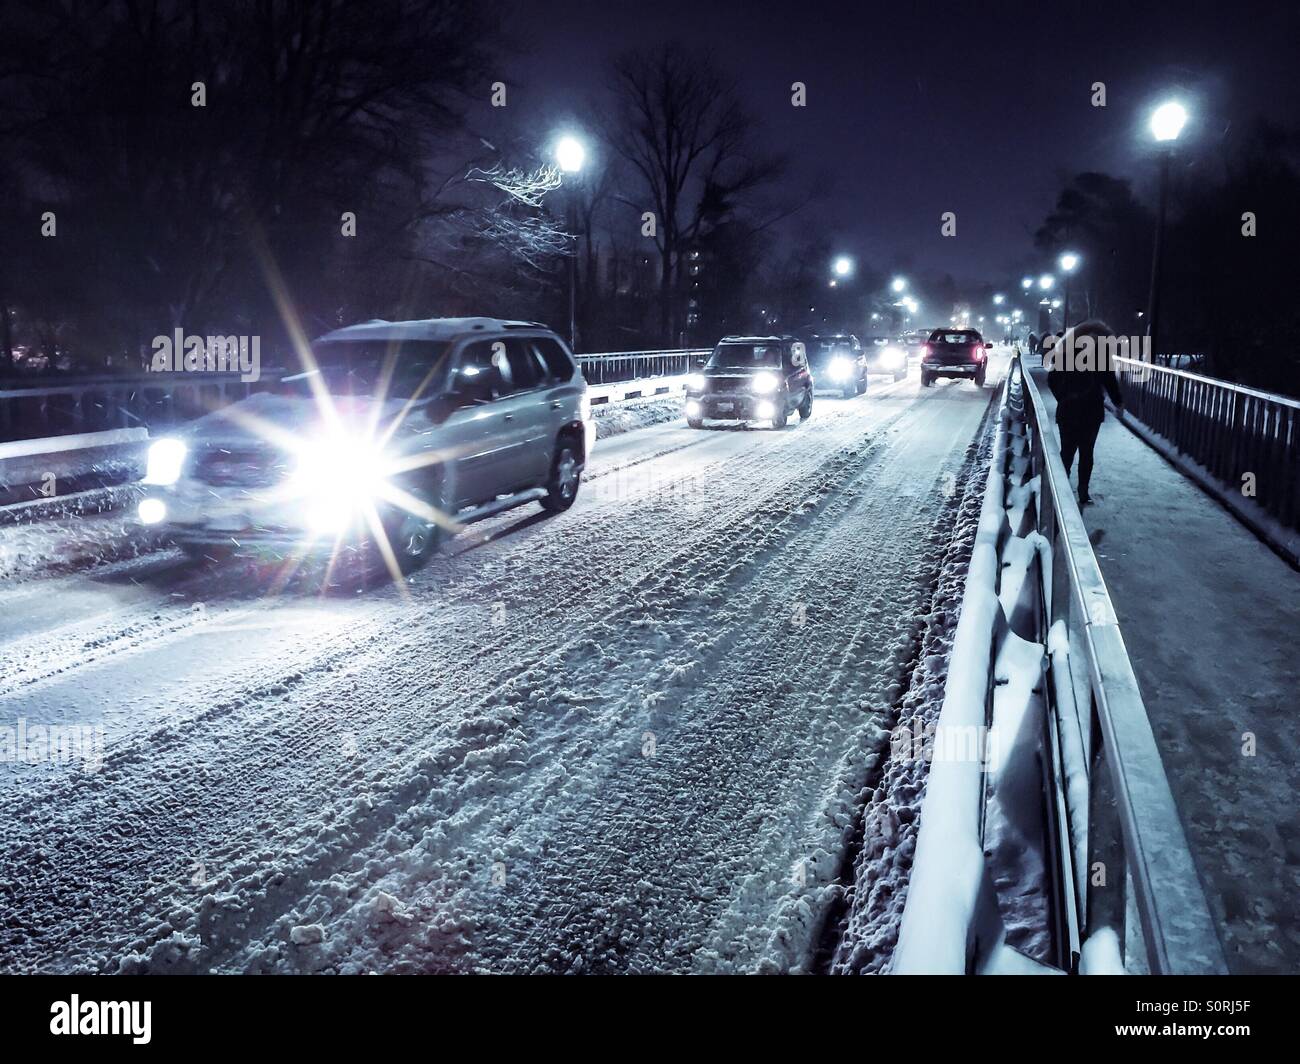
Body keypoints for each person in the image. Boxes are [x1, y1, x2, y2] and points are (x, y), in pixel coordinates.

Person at [1047, 320, 1123, 506]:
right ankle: (1082, 491)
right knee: (1086, 453)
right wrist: (1118, 403)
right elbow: (1110, 381)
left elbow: (1052, 379)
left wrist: (1063, 397)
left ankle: (1062, 490)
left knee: (1067, 452)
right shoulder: (1102, 357)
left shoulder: (1065, 353)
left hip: (1070, 410)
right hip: (1091, 411)